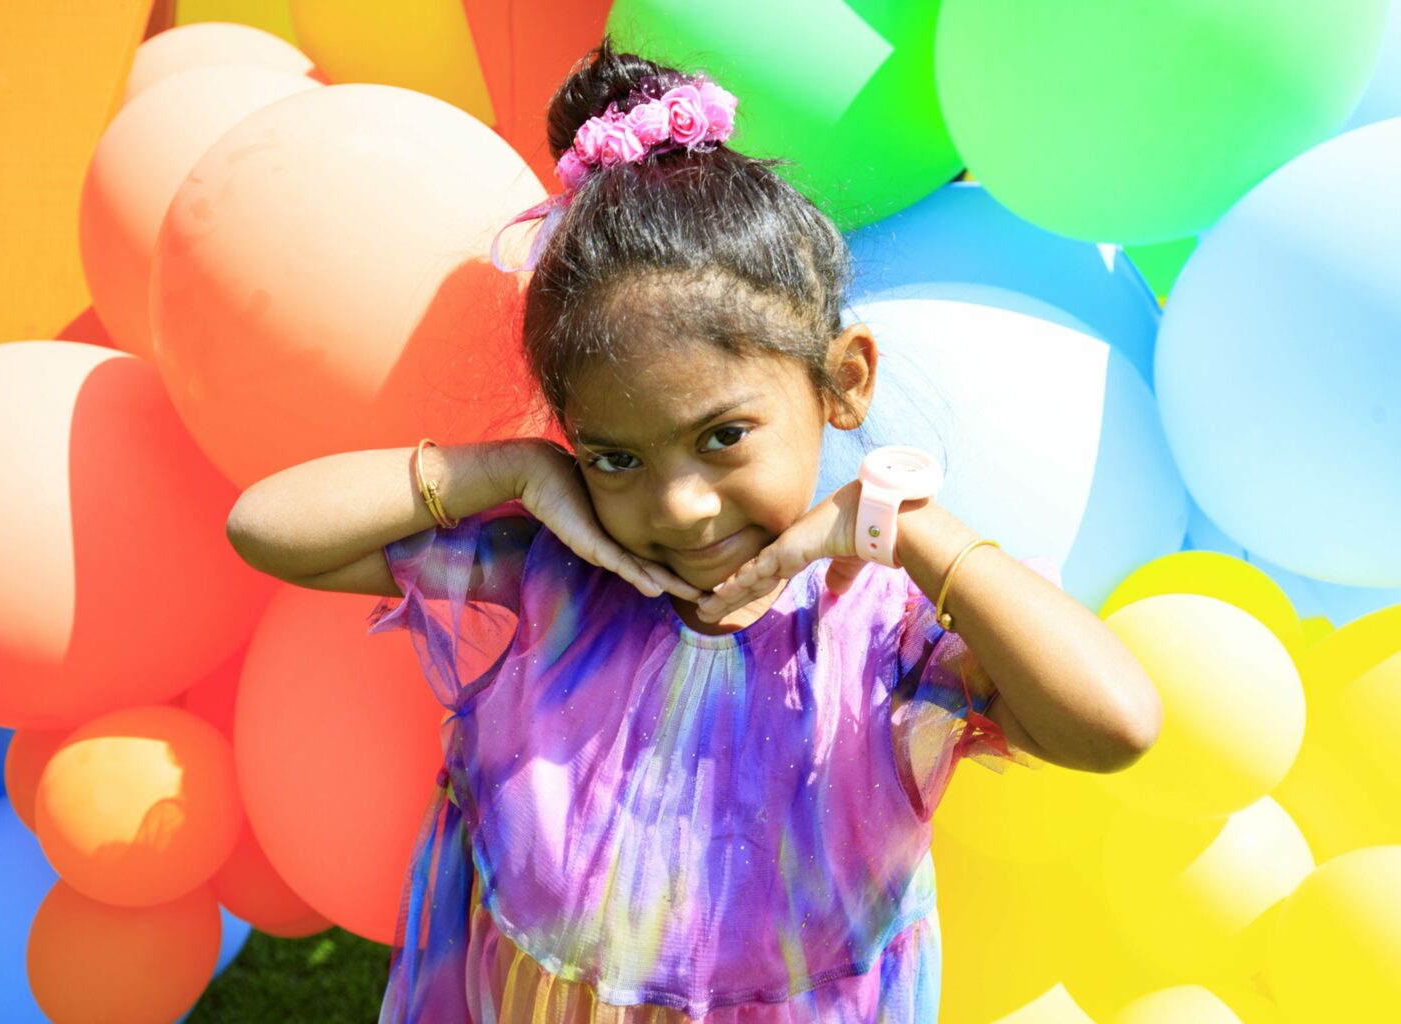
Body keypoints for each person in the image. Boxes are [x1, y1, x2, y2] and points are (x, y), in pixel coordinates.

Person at [227, 36, 1162, 1024]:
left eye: (722, 436)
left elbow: (1115, 724)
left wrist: (910, 533)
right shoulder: (554, 573)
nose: (678, 506)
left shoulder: (880, 622)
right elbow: (267, 527)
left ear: (843, 381)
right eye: (615, 457)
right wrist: (507, 467)